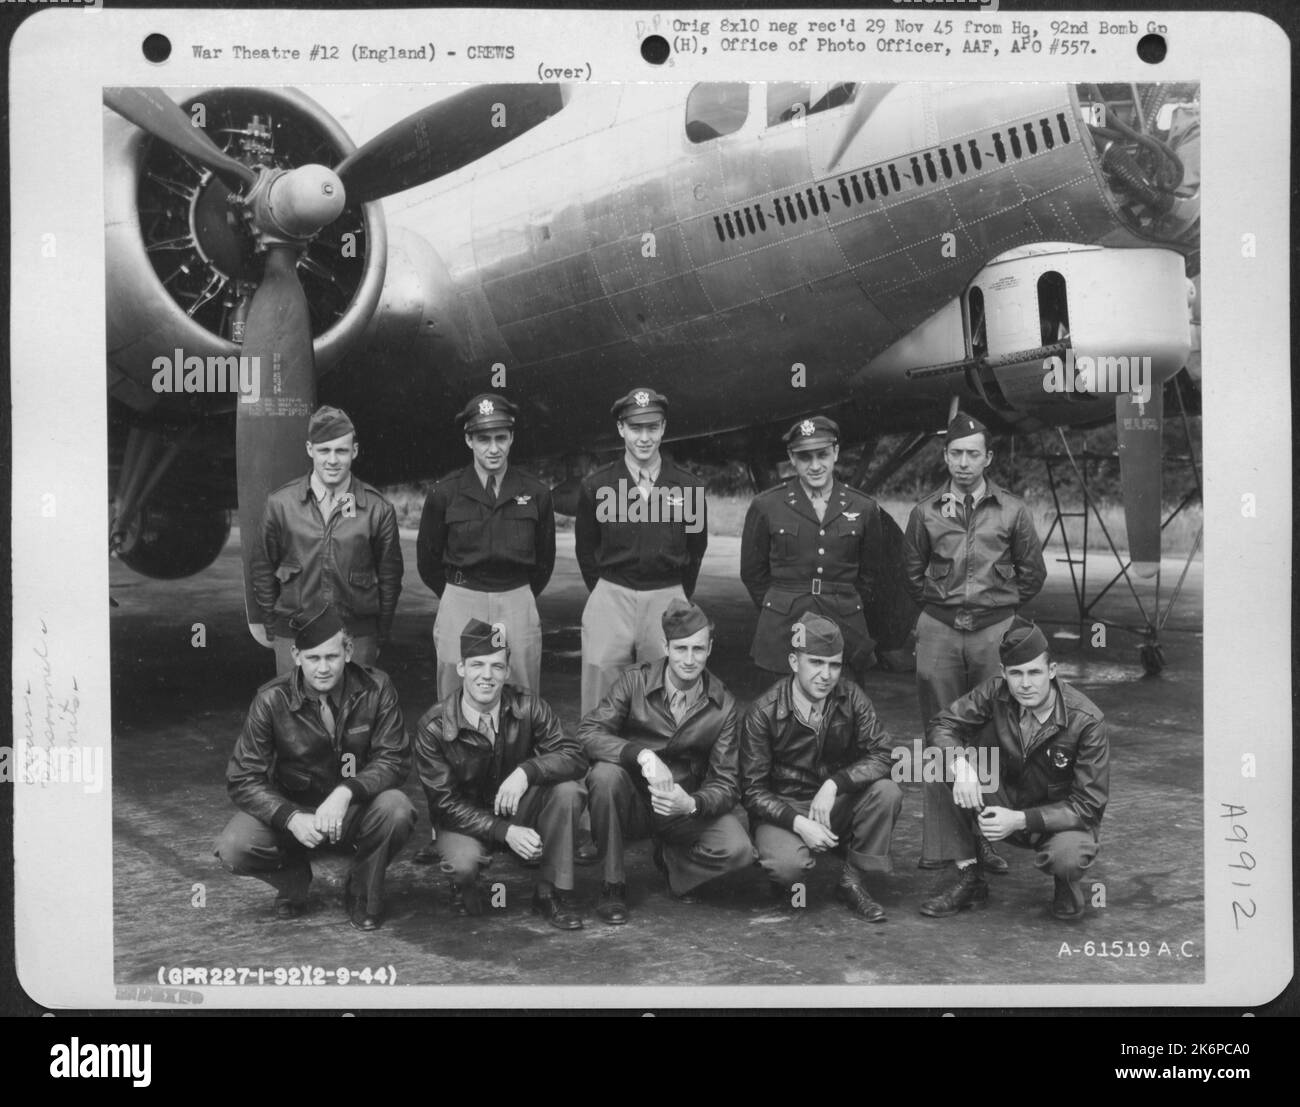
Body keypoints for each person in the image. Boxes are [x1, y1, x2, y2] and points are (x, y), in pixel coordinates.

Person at [413, 394, 556, 866]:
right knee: (454, 705)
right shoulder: (445, 492)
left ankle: (519, 818)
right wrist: (461, 595)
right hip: (462, 595)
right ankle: (448, 823)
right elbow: (429, 560)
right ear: (468, 440)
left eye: (501, 438)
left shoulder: (534, 491)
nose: (493, 448)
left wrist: (513, 596)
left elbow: (545, 561)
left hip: (516, 595)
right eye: (483, 439)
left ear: (511, 438)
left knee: (522, 701)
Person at [901, 411, 1046, 874]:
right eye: (956, 454)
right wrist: (945, 608)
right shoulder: (925, 511)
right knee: (940, 736)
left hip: (994, 632)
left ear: (988, 458)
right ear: (946, 456)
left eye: (973, 454)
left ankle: (986, 842)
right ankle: (947, 848)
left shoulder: (1013, 511)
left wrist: (995, 608)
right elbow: (911, 574)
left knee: (991, 735)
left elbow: (1033, 574)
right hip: (939, 630)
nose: (964, 463)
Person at [214, 606, 416, 931]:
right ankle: (295, 881)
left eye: (331, 657)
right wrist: (289, 818)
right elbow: (243, 778)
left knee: (397, 809)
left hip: (352, 810)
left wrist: (346, 792)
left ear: (348, 651)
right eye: (313, 658)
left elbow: (394, 759)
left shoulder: (377, 688)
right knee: (234, 847)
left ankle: (361, 890)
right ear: (296, 655)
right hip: (297, 812)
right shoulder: (271, 700)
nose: (323, 668)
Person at [918, 619, 1109, 921]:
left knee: (1068, 857)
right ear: (1004, 674)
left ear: (1052, 671)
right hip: (1004, 800)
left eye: (1034, 672)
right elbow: (942, 724)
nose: (1025, 683)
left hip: (1054, 819)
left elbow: (1089, 805)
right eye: (1016, 674)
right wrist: (962, 767)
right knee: (936, 765)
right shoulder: (996, 692)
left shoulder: (1086, 721)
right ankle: (971, 877)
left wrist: (1020, 820)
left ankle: (1065, 883)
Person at [579, 598, 755, 924]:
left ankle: (670, 858)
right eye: (681, 648)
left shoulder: (724, 704)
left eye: (698, 649)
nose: (689, 659)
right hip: (632, 800)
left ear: (710, 648)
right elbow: (589, 732)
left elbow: (727, 782)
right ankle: (612, 884)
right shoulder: (635, 681)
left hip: (680, 807)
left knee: (738, 850)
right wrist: (641, 755)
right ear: (665, 646)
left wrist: (691, 803)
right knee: (604, 776)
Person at [413, 618, 587, 930]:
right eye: (477, 665)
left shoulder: (527, 706)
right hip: (463, 820)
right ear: (461, 668)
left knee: (568, 791)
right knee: (463, 867)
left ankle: (550, 893)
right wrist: (504, 832)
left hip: (516, 809)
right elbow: (444, 804)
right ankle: (466, 883)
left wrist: (527, 771)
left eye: (496, 667)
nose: (487, 675)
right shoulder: (433, 726)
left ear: (507, 672)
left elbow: (574, 755)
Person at [740, 614, 902, 922]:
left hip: (834, 803)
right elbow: (751, 791)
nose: (826, 675)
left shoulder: (851, 696)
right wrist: (799, 823)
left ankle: (851, 881)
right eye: (815, 662)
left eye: (834, 665)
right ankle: (790, 867)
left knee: (887, 792)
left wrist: (835, 784)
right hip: (785, 805)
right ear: (793, 661)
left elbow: (883, 753)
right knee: (789, 870)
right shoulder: (763, 711)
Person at [575, 387, 708, 714]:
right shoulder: (598, 486)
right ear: (621, 428)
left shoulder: (688, 487)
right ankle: (601, 761)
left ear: (663, 428)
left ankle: (662, 762)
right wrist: (606, 591)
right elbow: (586, 548)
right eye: (636, 428)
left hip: (666, 596)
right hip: (612, 597)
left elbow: (696, 548)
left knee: (664, 693)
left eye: (652, 428)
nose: (644, 438)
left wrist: (676, 593)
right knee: (601, 691)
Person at [250, 405, 403, 675]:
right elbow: (262, 568)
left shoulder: (377, 509)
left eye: (341, 451)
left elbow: (390, 580)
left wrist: (378, 634)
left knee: (357, 714)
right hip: (294, 634)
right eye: (324, 450)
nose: (332, 460)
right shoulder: (280, 504)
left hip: (356, 636)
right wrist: (276, 629)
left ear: (354, 451)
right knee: (295, 714)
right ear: (310, 449)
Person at [740, 415, 884, 686]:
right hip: (784, 625)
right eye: (805, 457)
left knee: (843, 708)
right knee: (780, 711)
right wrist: (778, 604)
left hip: (843, 620)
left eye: (823, 455)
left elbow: (871, 572)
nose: (815, 465)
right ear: (791, 458)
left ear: (836, 453)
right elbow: (752, 571)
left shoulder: (863, 507)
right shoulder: (766, 505)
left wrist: (845, 600)